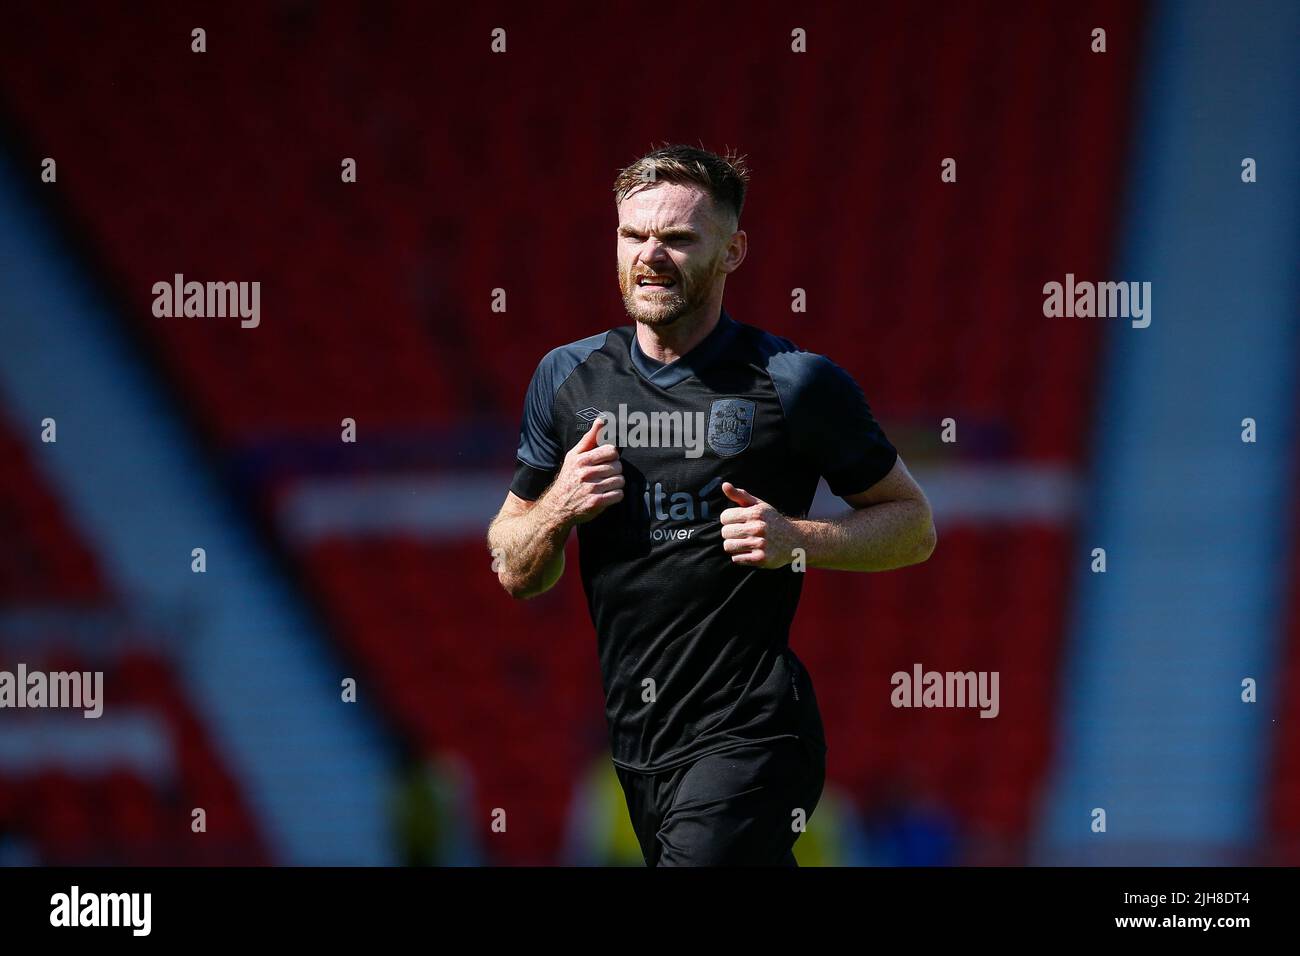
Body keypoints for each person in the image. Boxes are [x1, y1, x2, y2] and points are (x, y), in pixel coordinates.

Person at [487, 144, 936, 866]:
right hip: (636, 752)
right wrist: (557, 509)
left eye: (678, 238)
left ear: (733, 251)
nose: (652, 256)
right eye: (635, 236)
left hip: (753, 731)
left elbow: (913, 526)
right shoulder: (566, 379)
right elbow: (516, 567)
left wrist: (799, 538)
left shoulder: (795, 384)